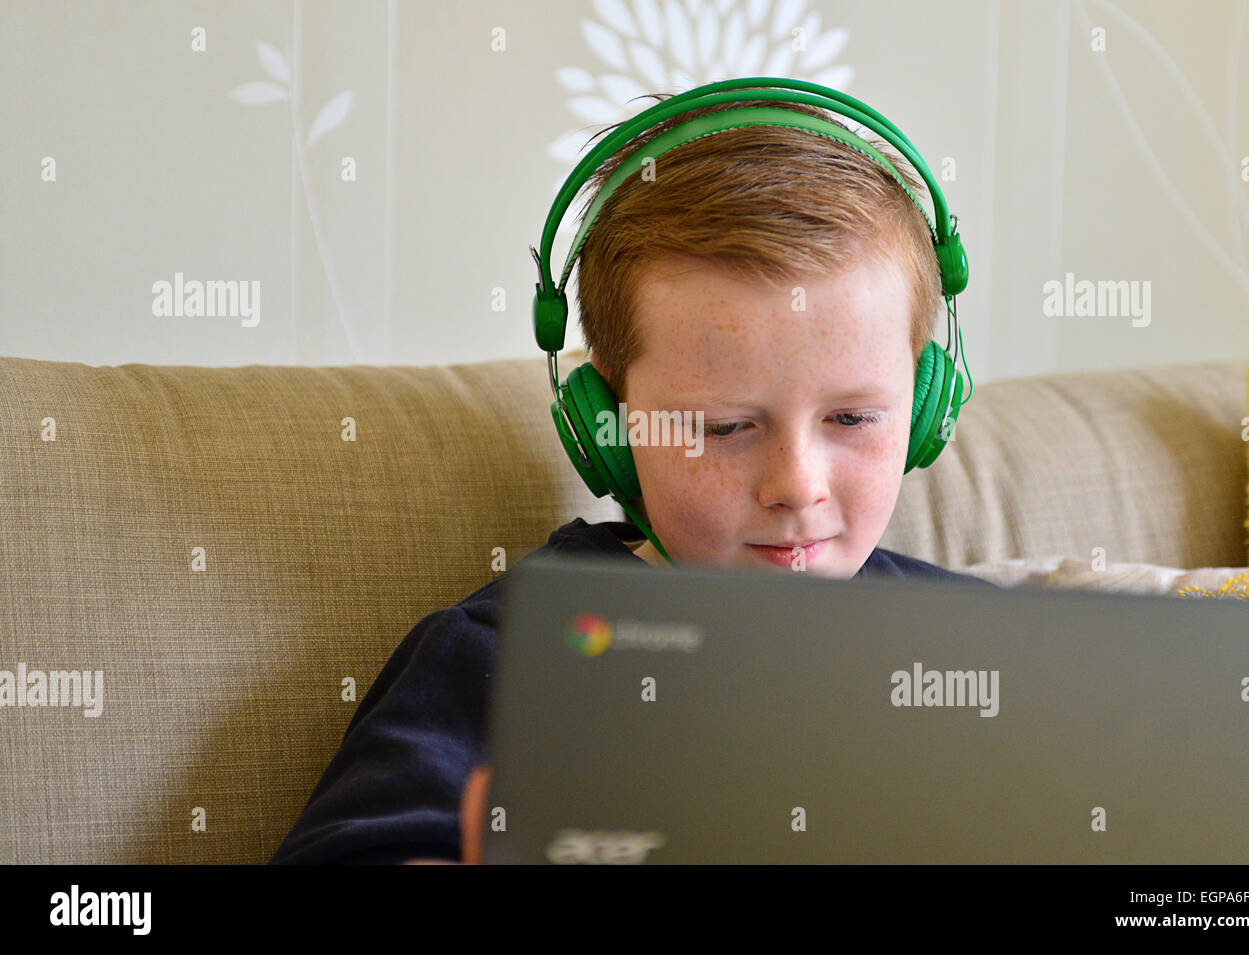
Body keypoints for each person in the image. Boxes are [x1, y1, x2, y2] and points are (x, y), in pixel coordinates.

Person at [270, 82, 996, 865]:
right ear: (608, 426)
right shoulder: (513, 654)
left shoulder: (979, 643)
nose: (796, 484)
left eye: (852, 418)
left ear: (925, 408)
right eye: (724, 427)